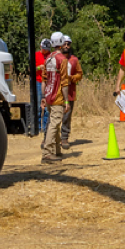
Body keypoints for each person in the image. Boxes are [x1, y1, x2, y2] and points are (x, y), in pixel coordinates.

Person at [41, 31, 71, 164]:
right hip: (57, 97)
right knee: (54, 124)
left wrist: (43, 96)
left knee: (55, 123)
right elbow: (64, 82)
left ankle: (57, 150)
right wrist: (66, 100)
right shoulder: (62, 60)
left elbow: (43, 80)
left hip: (48, 96)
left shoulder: (48, 59)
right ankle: (47, 152)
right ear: (61, 43)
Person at [60, 35, 84, 150]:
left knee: (66, 116)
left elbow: (80, 74)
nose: (66, 46)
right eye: (64, 43)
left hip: (69, 92)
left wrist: (72, 78)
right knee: (54, 116)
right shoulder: (56, 59)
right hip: (57, 92)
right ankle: (50, 139)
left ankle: (64, 137)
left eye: (68, 44)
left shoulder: (74, 60)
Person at [34, 37, 51, 133]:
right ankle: (37, 127)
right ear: (41, 46)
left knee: (47, 107)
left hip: (48, 82)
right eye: (44, 49)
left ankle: (45, 127)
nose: (45, 51)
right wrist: (38, 68)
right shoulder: (36, 55)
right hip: (38, 82)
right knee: (38, 106)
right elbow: (30, 69)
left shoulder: (50, 56)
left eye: (47, 50)